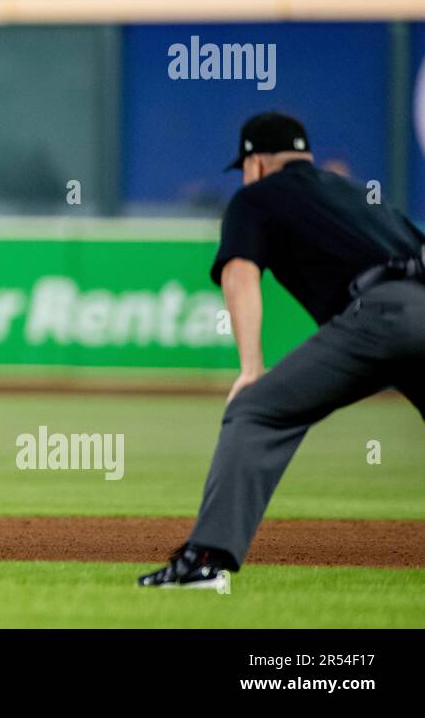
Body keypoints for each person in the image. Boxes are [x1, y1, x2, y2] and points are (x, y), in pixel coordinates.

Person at [140, 112, 425, 587]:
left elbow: (240, 273)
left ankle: (204, 564)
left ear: (254, 163)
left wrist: (250, 367)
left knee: (256, 411)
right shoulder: (361, 195)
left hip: (378, 315)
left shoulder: (255, 198)